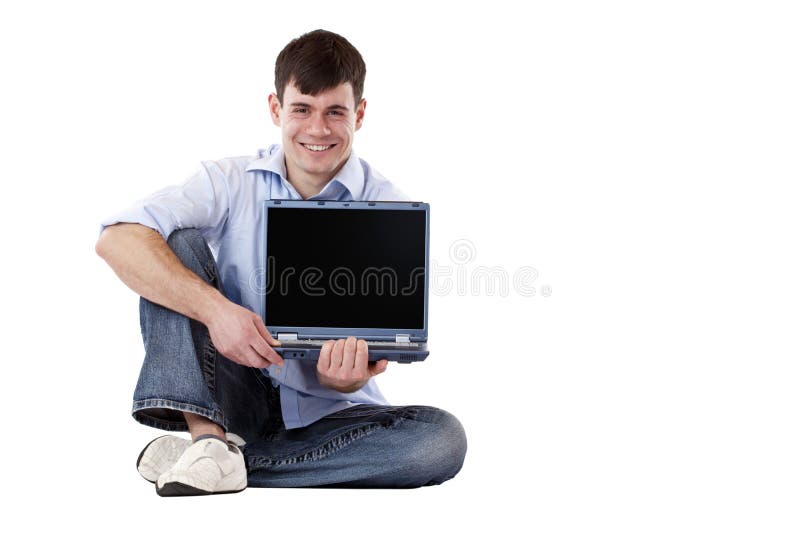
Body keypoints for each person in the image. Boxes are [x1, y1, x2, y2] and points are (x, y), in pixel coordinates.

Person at [95, 29, 467, 496]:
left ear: (360, 113)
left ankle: (217, 460)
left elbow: (369, 365)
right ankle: (209, 441)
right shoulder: (228, 181)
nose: (317, 129)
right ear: (276, 109)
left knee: (440, 442)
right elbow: (117, 240)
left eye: (335, 111)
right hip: (232, 395)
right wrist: (216, 311)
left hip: (334, 421)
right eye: (302, 109)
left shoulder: (390, 210)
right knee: (175, 243)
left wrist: (345, 381)